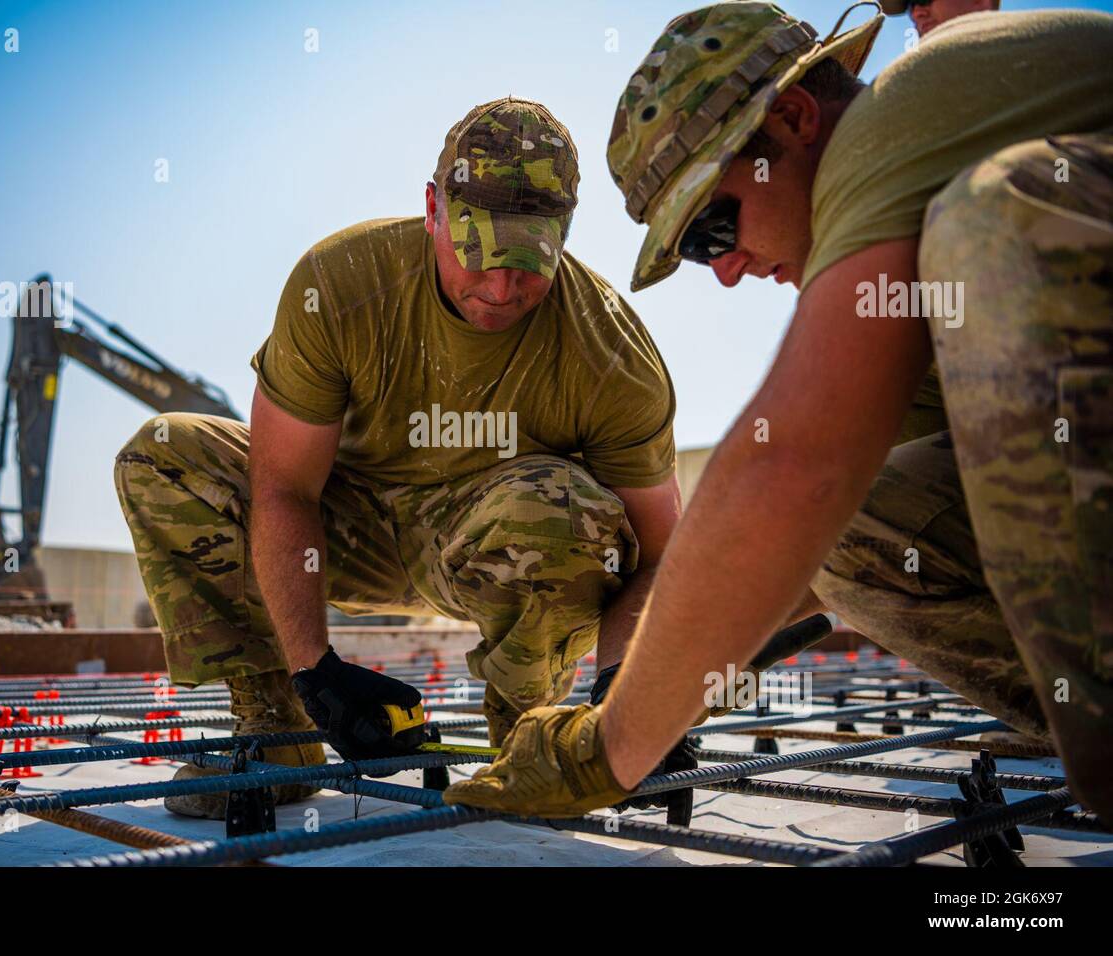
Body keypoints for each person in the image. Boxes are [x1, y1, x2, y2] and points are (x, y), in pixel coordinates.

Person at [445, 2, 1113, 821]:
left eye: (710, 229)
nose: (722, 272)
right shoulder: (911, 232)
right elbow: (803, 525)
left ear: (795, 119)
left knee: (993, 227)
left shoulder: (901, 114)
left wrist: (607, 748)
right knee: (853, 529)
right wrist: (679, 676)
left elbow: (792, 466)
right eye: (698, 252)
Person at [115, 97, 682, 818]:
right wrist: (314, 674)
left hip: (492, 541)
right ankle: (276, 732)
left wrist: (629, 696)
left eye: (526, 262)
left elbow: (661, 555)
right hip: (347, 529)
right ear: (432, 210)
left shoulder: (610, 354)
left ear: (565, 234)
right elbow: (284, 487)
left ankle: (530, 738)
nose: (500, 290)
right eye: (474, 251)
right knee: (163, 457)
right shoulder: (341, 286)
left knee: (560, 511)